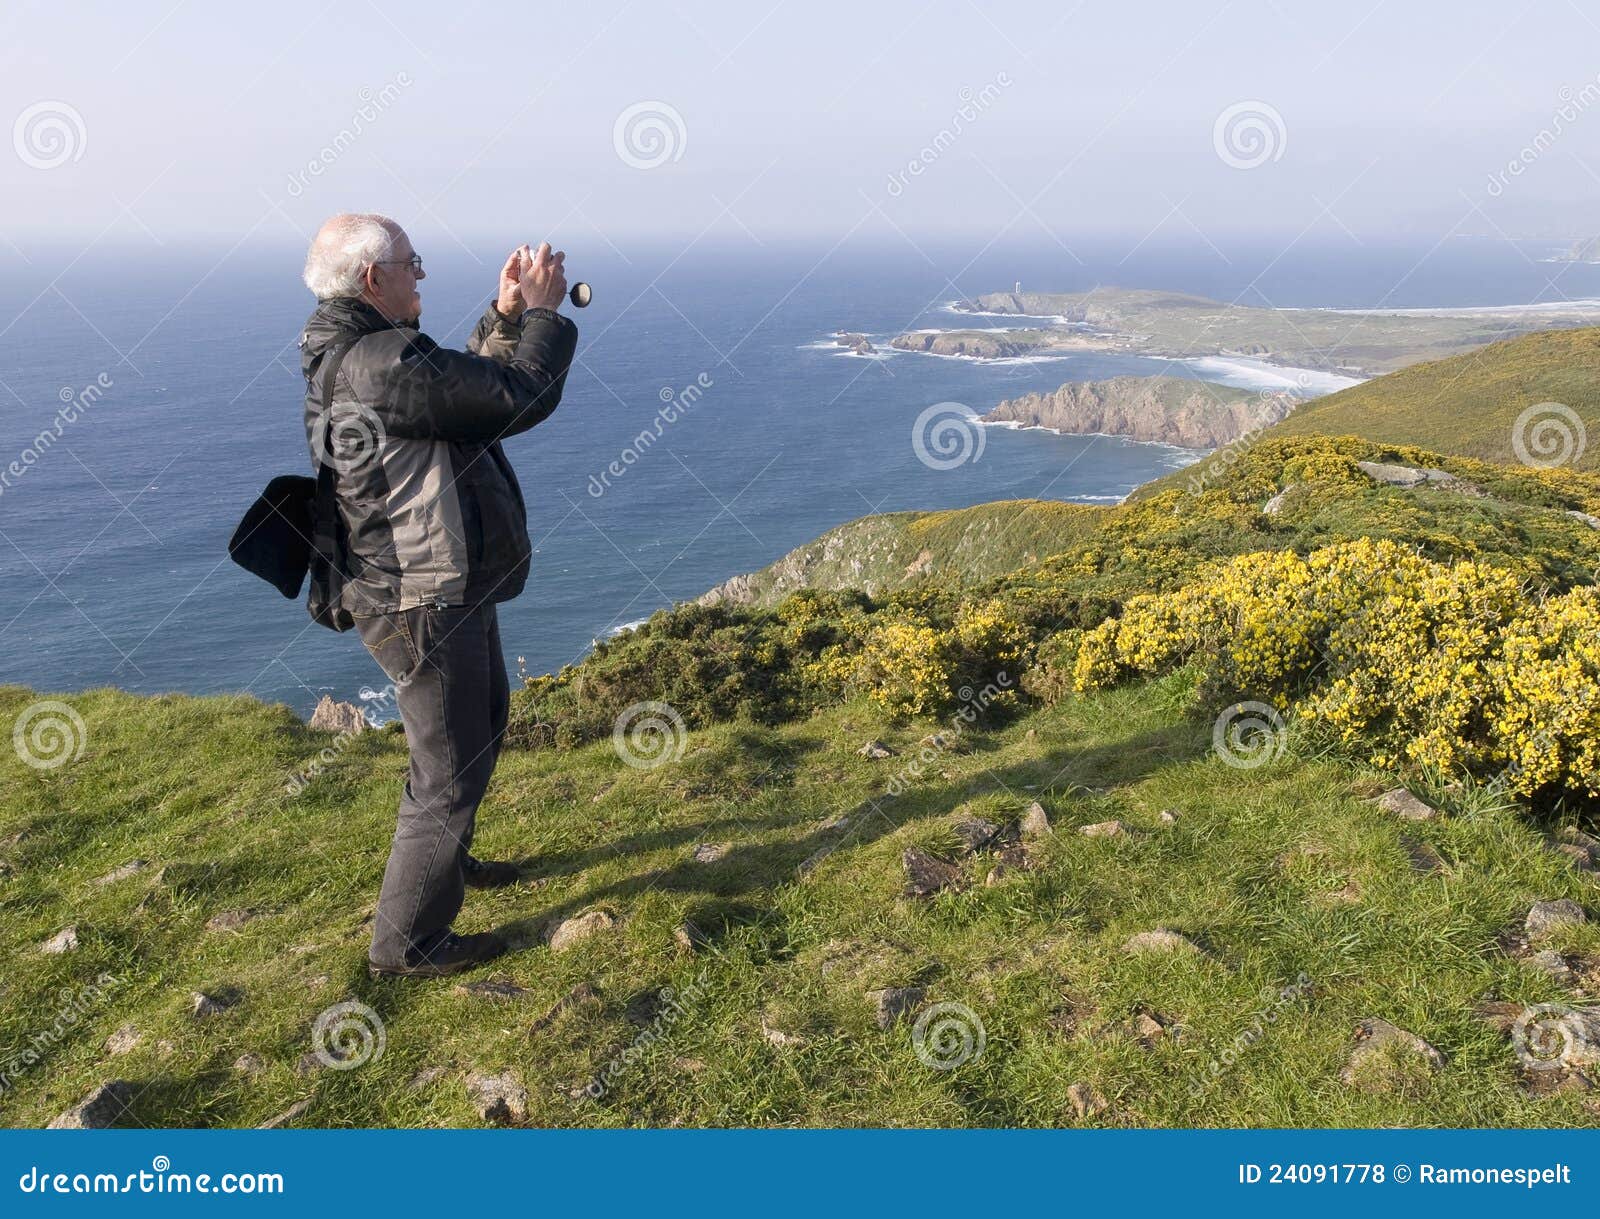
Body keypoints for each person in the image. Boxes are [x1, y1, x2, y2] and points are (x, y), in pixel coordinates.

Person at [298, 213, 577, 978]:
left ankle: (444, 867)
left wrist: (507, 317)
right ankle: (407, 945)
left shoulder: (362, 351)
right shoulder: (379, 362)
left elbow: (458, 391)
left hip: (439, 579)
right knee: (447, 770)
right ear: (371, 280)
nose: (421, 274)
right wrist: (548, 316)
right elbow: (514, 396)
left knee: (477, 729)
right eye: (411, 263)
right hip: (420, 593)